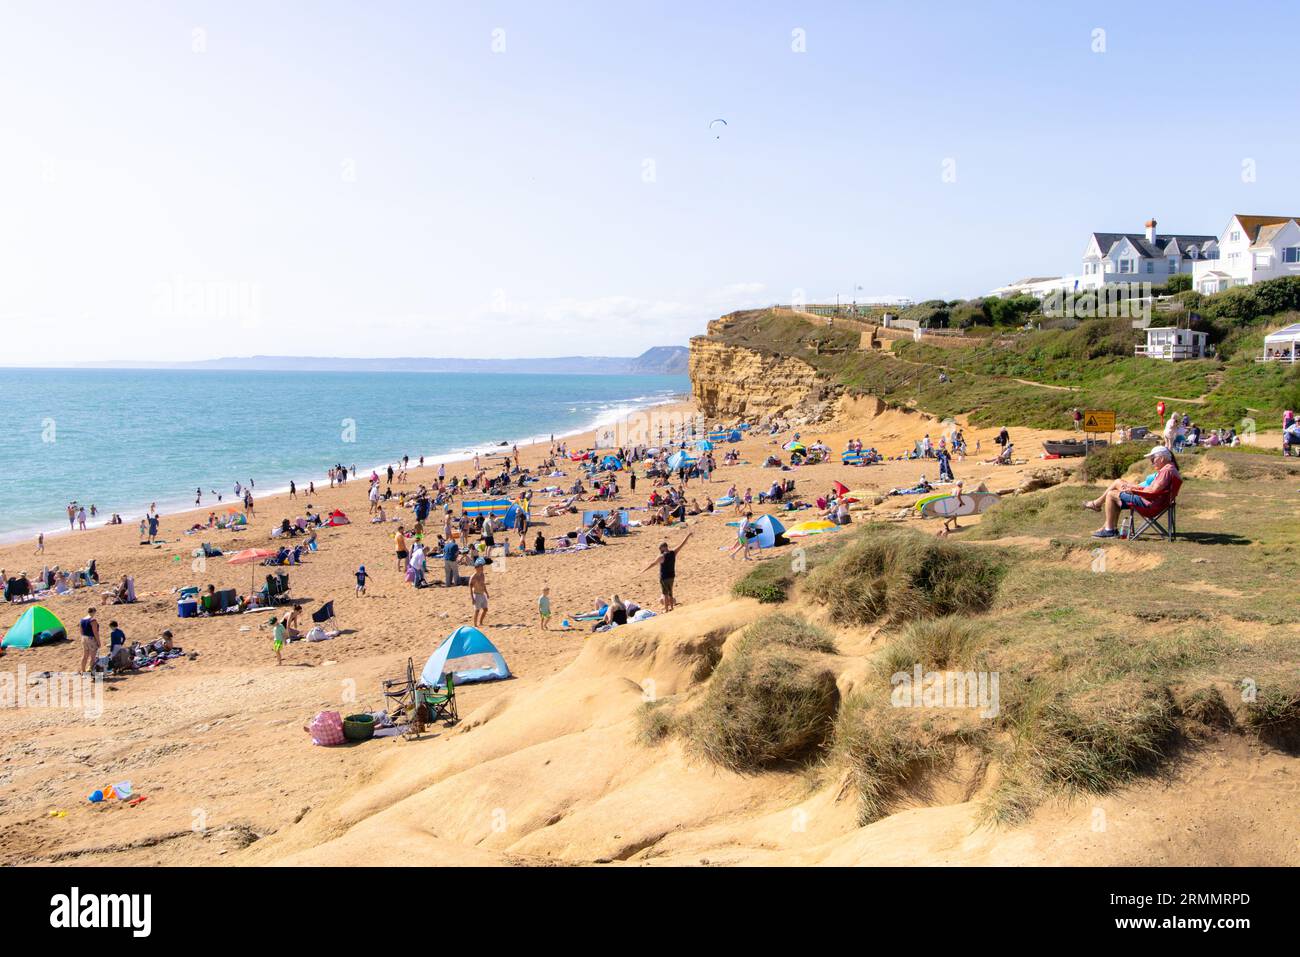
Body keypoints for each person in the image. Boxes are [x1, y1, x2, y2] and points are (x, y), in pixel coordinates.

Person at [1082, 446, 1181, 539]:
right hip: (1156, 502)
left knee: (1111, 494)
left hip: (1150, 504)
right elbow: (1153, 489)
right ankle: (1110, 528)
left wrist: (1133, 491)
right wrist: (1133, 488)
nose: (1152, 462)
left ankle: (1109, 529)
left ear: (1162, 458)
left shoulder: (1166, 471)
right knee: (1116, 496)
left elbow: (1153, 490)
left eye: (1153, 459)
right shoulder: (1170, 469)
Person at [642, 532, 691, 612]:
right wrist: (688, 535)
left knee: (665, 593)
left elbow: (653, 563)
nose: (660, 550)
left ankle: (666, 609)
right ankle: (671, 607)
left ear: (664, 547)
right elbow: (682, 544)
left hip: (664, 577)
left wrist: (644, 570)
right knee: (671, 592)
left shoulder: (662, 556)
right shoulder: (673, 552)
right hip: (672, 576)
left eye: (660, 548)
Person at [79, 607, 100, 673]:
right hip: (91, 638)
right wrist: (98, 641)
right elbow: (95, 632)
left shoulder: (82, 620)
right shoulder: (93, 620)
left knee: (85, 656)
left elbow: (81, 631)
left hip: (84, 638)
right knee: (93, 657)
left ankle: (83, 671)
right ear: (93, 611)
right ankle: (90, 671)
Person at [469, 558, 489, 627]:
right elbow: (470, 588)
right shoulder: (473, 577)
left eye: (482, 567)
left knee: (485, 609)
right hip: (476, 595)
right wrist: (472, 599)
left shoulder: (482, 574)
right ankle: (475, 625)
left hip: (482, 594)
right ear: (476, 568)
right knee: (477, 611)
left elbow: (483, 584)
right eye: (481, 567)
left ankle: (480, 622)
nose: (482, 568)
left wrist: (486, 593)